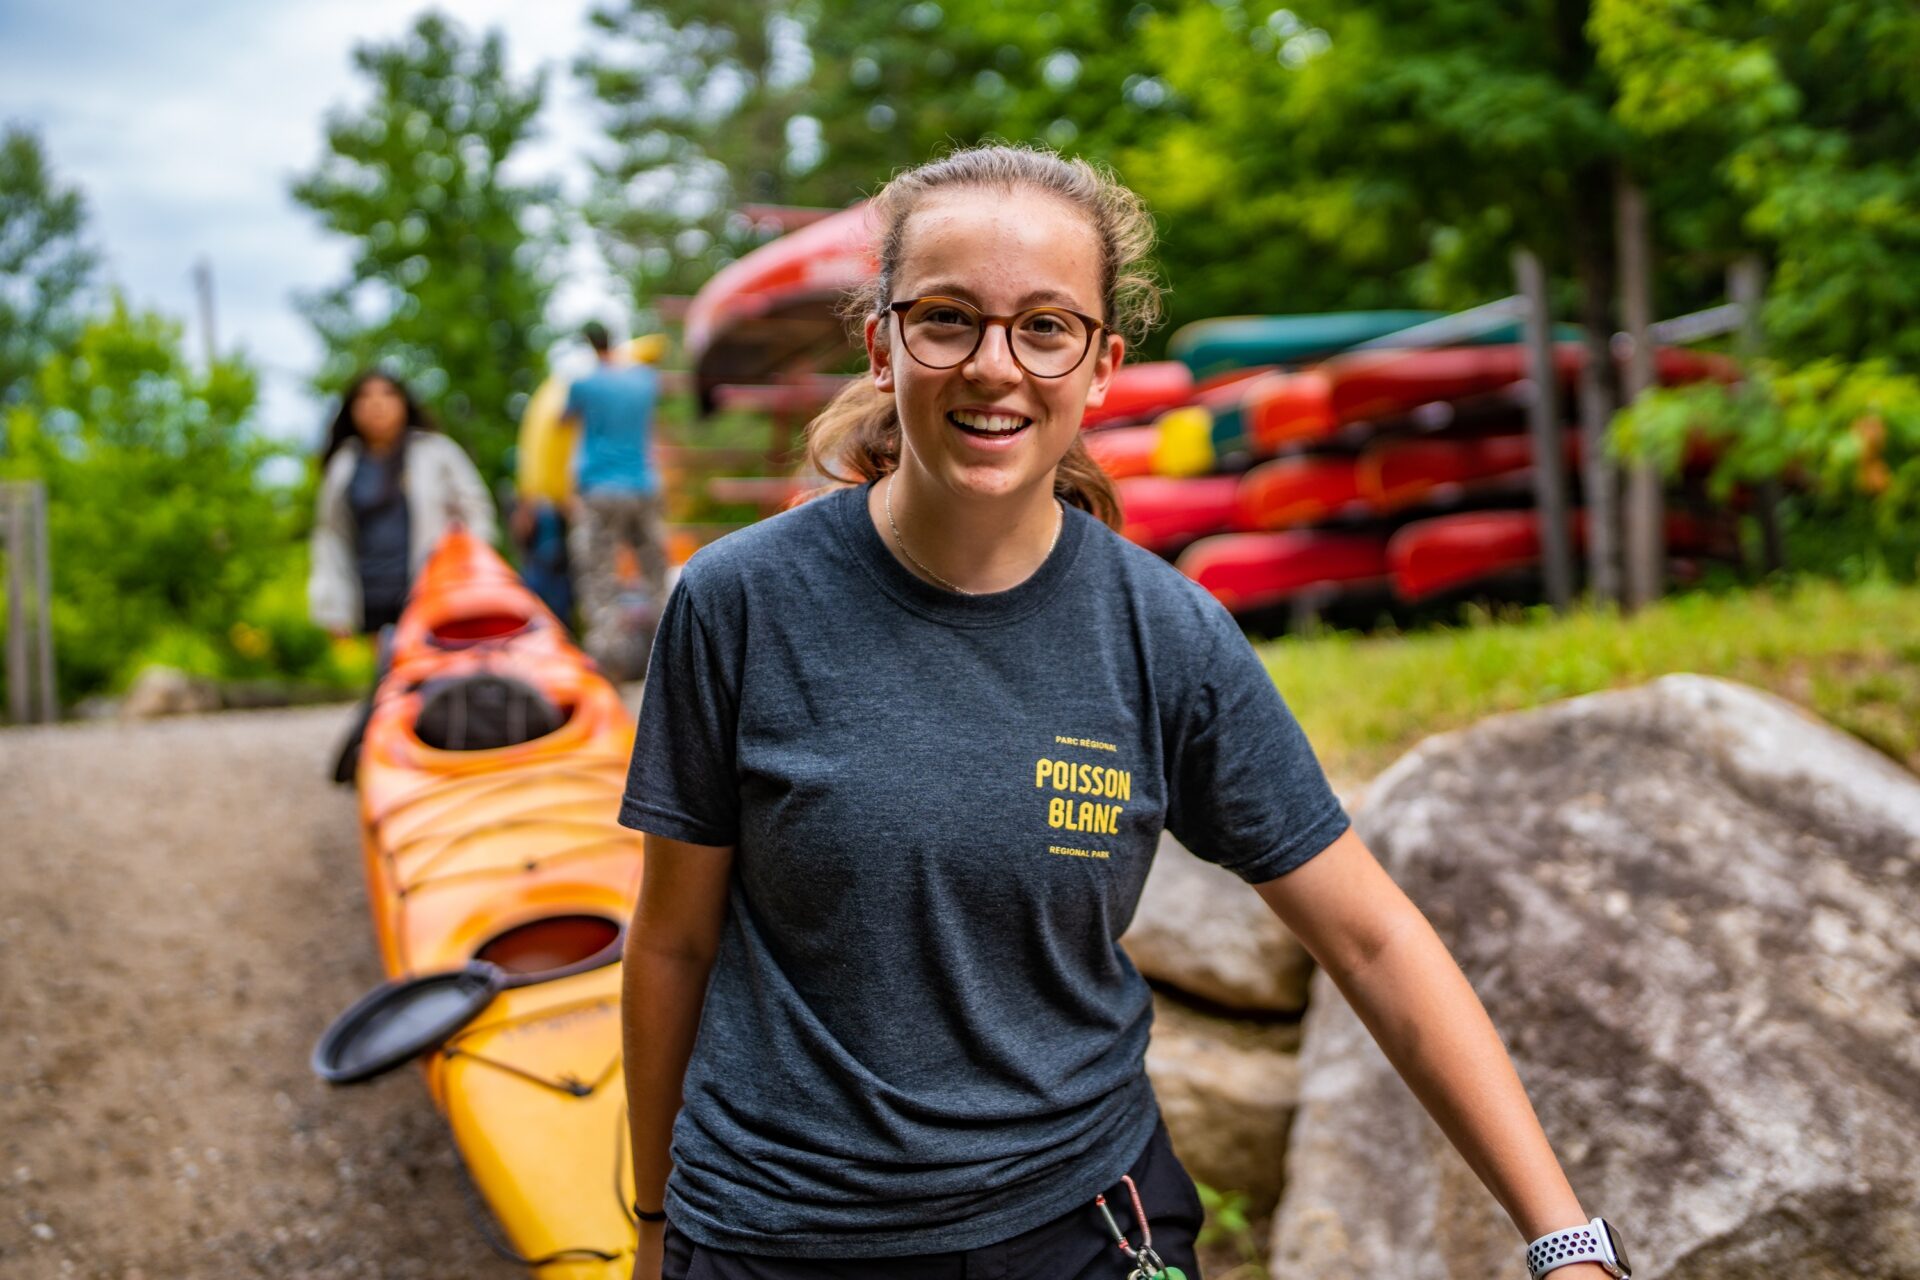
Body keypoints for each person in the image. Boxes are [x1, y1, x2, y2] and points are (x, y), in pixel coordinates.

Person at [616, 145, 1627, 1280]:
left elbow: (1374, 936)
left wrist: (1566, 1242)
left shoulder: (1166, 635)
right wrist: (653, 1224)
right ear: (883, 343)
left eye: (1044, 327)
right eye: (947, 319)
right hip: (777, 1240)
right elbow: (673, 939)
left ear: (1100, 368)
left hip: (1084, 1226)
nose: (994, 365)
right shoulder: (741, 602)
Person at [308, 369, 498, 636]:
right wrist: (332, 606)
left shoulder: (435, 452)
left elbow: (476, 511)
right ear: (351, 409)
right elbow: (331, 536)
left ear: (404, 403)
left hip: (435, 591)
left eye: (387, 395)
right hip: (369, 597)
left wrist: (468, 568)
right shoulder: (344, 465)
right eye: (365, 397)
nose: (376, 404)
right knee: (382, 660)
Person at [563, 321, 670, 679]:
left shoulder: (583, 384)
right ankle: (673, 649)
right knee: (654, 572)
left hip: (600, 489)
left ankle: (609, 663)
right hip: (644, 485)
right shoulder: (645, 381)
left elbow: (563, 420)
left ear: (588, 344)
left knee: (599, 576)